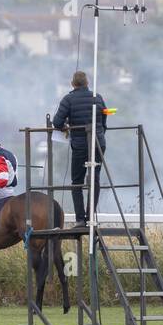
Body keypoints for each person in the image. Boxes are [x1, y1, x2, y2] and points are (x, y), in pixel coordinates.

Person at [51, 70, 108, 227]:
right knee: (94, 178)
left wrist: (66, 127)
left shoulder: (68, 99)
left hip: (80, 145)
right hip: (98, 143)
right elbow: (104, 121)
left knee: (77, 181)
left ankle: (80, 219)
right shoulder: (98, 97)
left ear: (72, 84)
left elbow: (56, 122)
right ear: (87, 83)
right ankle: (91, 216)